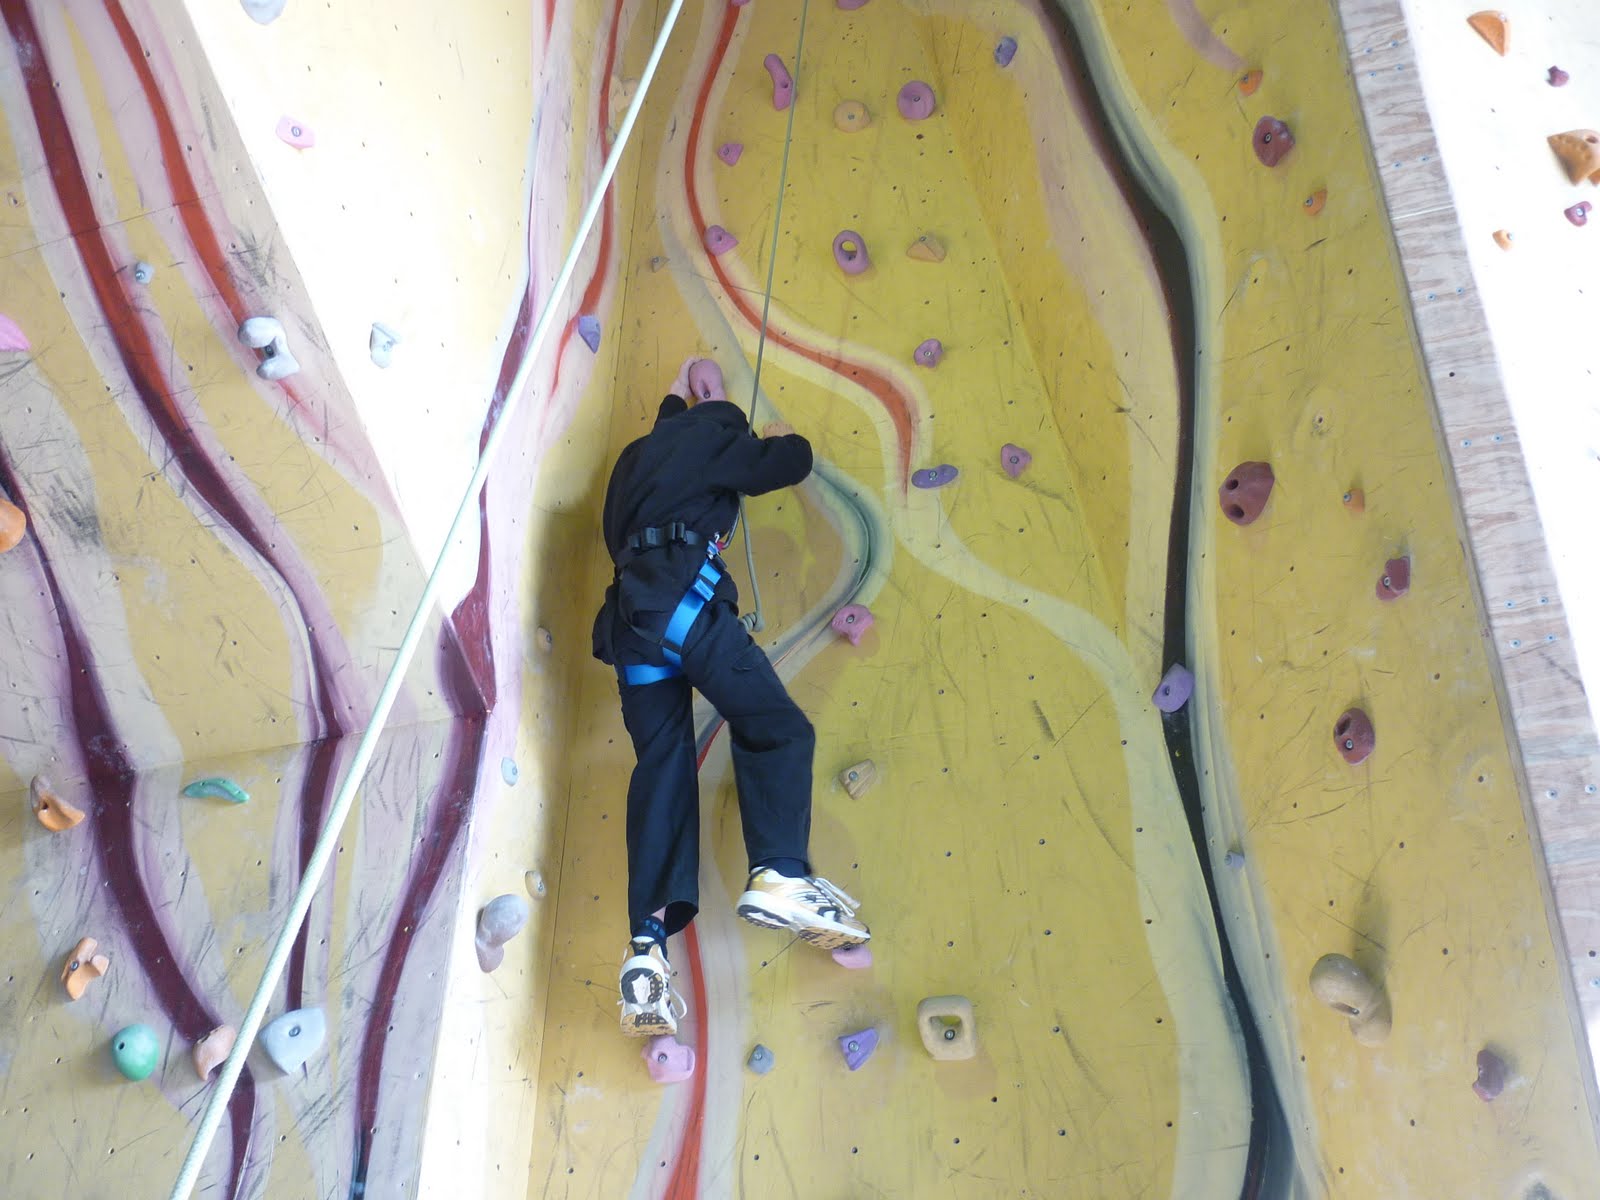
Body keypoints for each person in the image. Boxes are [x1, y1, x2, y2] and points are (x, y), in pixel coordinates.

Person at [591, 355, 870, 1037]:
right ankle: (779, 872)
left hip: (633, 630)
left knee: (663, 774)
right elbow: (787, 463)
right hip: (687, 607)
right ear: (717, 418)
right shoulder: (712, 436)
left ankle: (646, 952)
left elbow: (670, 435)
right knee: (776, 728)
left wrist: (685, 399)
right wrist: (777, 434)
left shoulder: (632, 464)